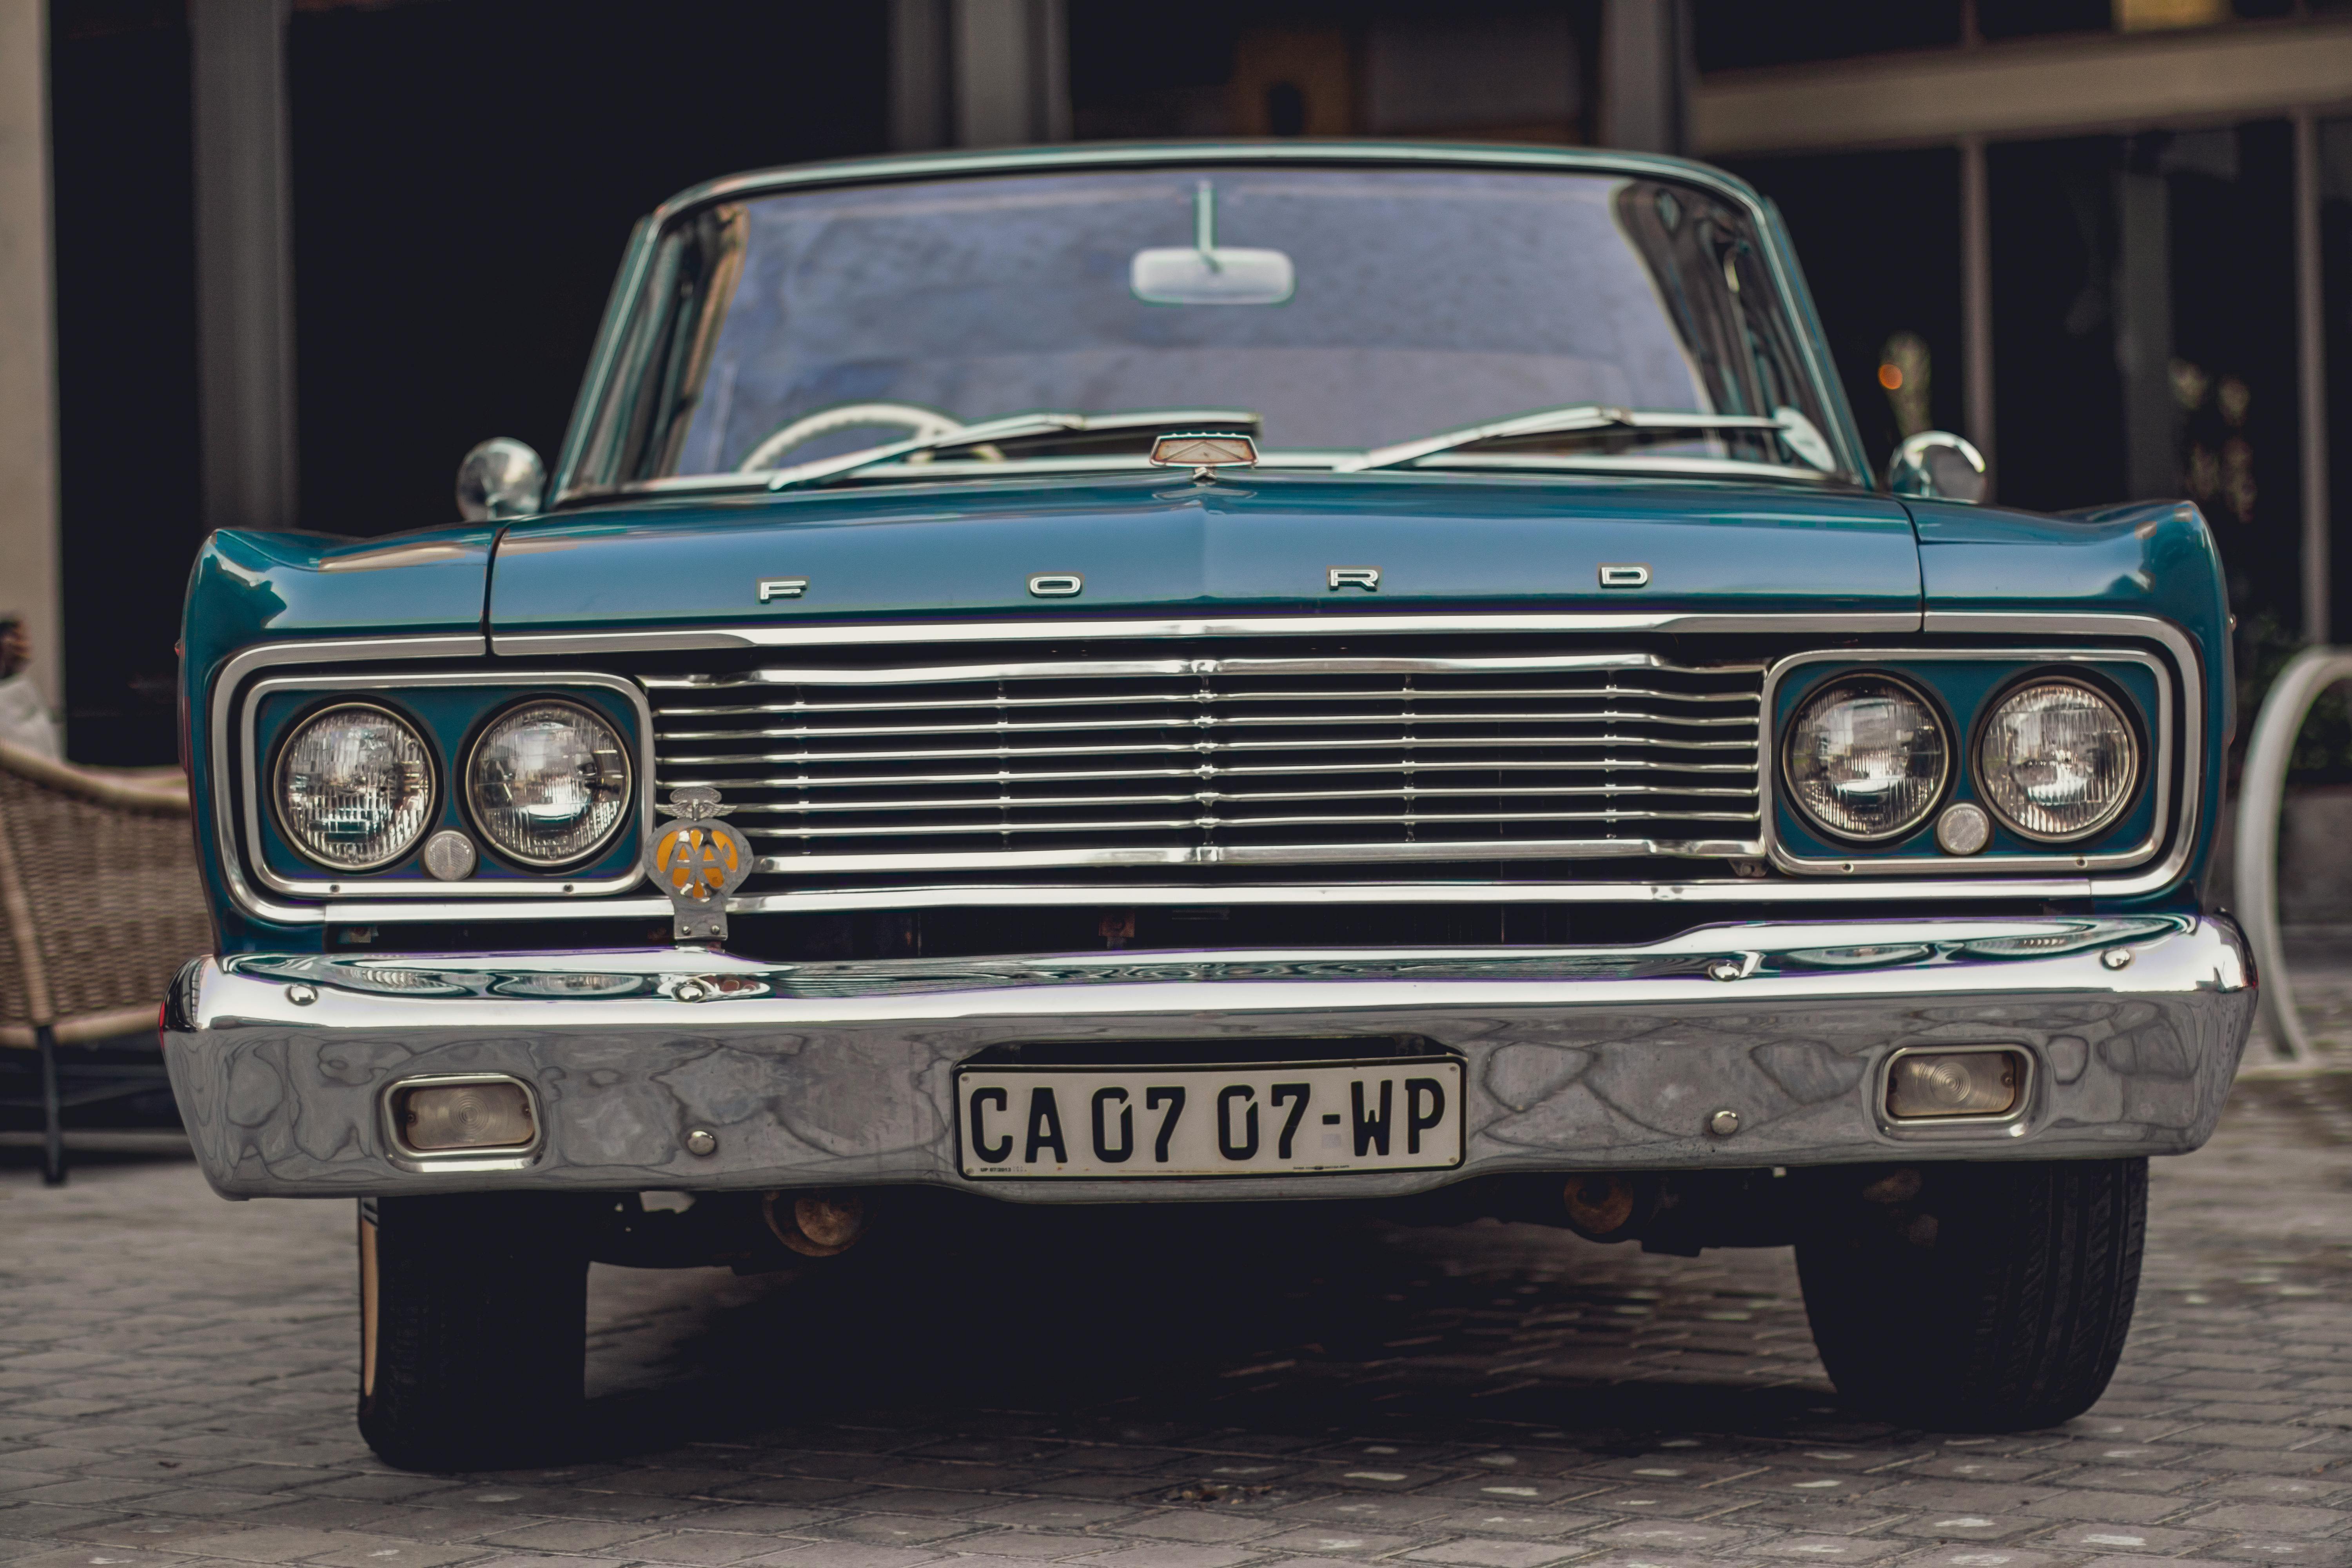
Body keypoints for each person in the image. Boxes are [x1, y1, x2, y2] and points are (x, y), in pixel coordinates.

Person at [0, 615, 62, 759]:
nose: (24, 646)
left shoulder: (25, 689)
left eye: (24, 639)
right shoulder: (6, 697)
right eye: (17, 638)